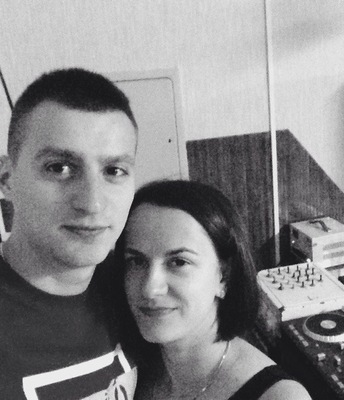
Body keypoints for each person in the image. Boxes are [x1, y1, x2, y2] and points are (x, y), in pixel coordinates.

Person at [0, 68, 138, 399]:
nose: (92, 203)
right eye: (59, 168)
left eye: (114, 170)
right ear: (6, 179)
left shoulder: (139, 291)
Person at [118, 180, 312, 400]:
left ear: (224, 277)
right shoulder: (128, 371)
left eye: (179, 262)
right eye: (136, 261)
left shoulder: (280, 397)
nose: (150, 288)